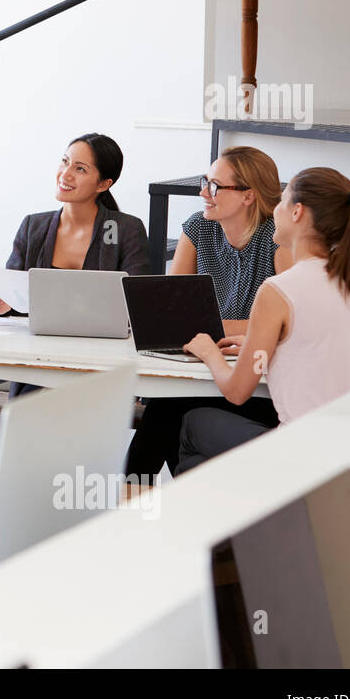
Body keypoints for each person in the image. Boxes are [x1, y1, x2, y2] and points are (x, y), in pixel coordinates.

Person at [176, 167, 350, 473]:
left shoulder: (279, 290)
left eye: (281, 201)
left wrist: (210, 352)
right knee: (198, 465)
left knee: (192, 424)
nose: (273, 210)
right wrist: (257, 345)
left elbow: (237, 392)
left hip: (300, 456)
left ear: (297, 212)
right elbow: (315, 343)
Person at [125, 146, 291, 477]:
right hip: (202, 368)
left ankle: (125, 502)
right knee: (167, 408)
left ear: (248, 196)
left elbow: (285, 325)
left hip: (257, 385)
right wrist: (220, 331)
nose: (204, 192)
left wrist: (207, 330)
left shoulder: (278, 241)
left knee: (166, 410)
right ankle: (140, 500)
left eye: (215, 185)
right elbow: (173, 310)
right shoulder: (198, 229)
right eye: (205, 181)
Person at [0, 133, 149, 396]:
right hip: (40, 362)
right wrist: (4, 305)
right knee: (31, 402)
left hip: (99, 365)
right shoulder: (33, 226)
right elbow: (12, 300)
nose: (65, 174)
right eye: (65, 161)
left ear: (103, 184)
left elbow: (139, 307)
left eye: (80, 169)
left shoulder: (125, 229)